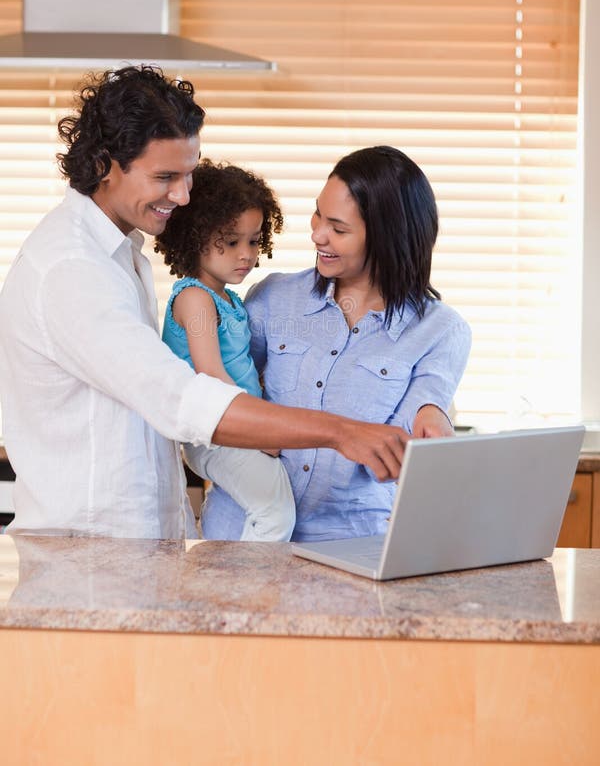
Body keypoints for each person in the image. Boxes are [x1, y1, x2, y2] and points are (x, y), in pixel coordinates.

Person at [0, 66, 409, 540]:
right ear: (103, 165)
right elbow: (182, 398)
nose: (183, 194)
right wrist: (339, 431)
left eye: (189, 174)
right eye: (165, 177)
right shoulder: (71, 269)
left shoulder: (119, 253)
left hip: (131, 553)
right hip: (90, 559)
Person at [200, 145, 472, 543]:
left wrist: (433, 422)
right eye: (318, 215)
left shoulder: (441, 330)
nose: (317, 235)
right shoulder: (272, 299)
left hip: (349, 550)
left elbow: (428, 404)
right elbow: (220, 403)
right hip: (239, 538)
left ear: (387, 238)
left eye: (339, 229)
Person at [155, 161, 295, 541]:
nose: (246, 254)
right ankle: (247, 595)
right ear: (194, 237)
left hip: (231, 429)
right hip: (216, 434)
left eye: (253, 240)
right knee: (275, 513)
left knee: (267, 505)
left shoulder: (227, 298)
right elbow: (212, 378)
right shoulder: (196, 299)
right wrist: (262, 434)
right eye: (231, 241)